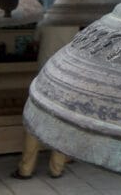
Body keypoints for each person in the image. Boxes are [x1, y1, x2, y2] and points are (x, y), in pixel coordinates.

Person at [11, 24, 79, 180]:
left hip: (45, 78)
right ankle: (57, 169)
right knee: (61, 125)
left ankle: (25, 169)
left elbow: (34, 44)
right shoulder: (75, 25)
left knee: (34, 124)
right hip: (67, 81)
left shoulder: (45, 22)